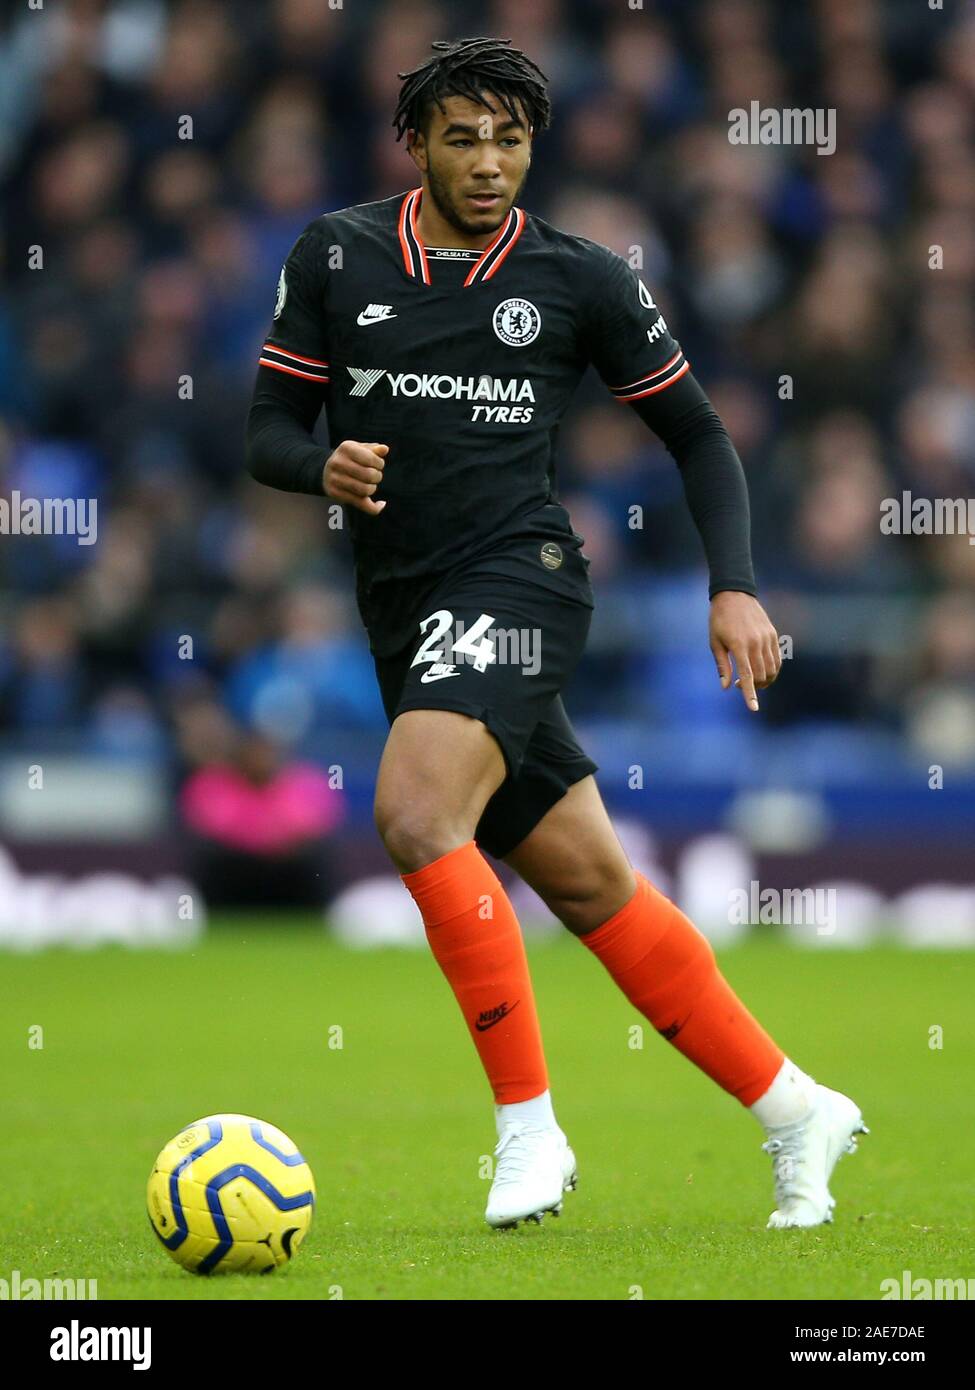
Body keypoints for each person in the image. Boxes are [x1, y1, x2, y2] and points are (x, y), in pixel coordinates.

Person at [245, 36, 867, 1230]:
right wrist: (320, 463)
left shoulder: (581, 278)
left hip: (526, 580)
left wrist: (731, 584)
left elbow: (701, 435)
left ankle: (527, 1131)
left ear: (535, 145)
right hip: (407, 613)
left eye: (511, 139)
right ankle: (799, 1109)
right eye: (464, 137)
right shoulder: (336, 253)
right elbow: (267, 426)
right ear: (416, 143)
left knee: (418, 813)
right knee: (588, 882)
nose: (490, 163)